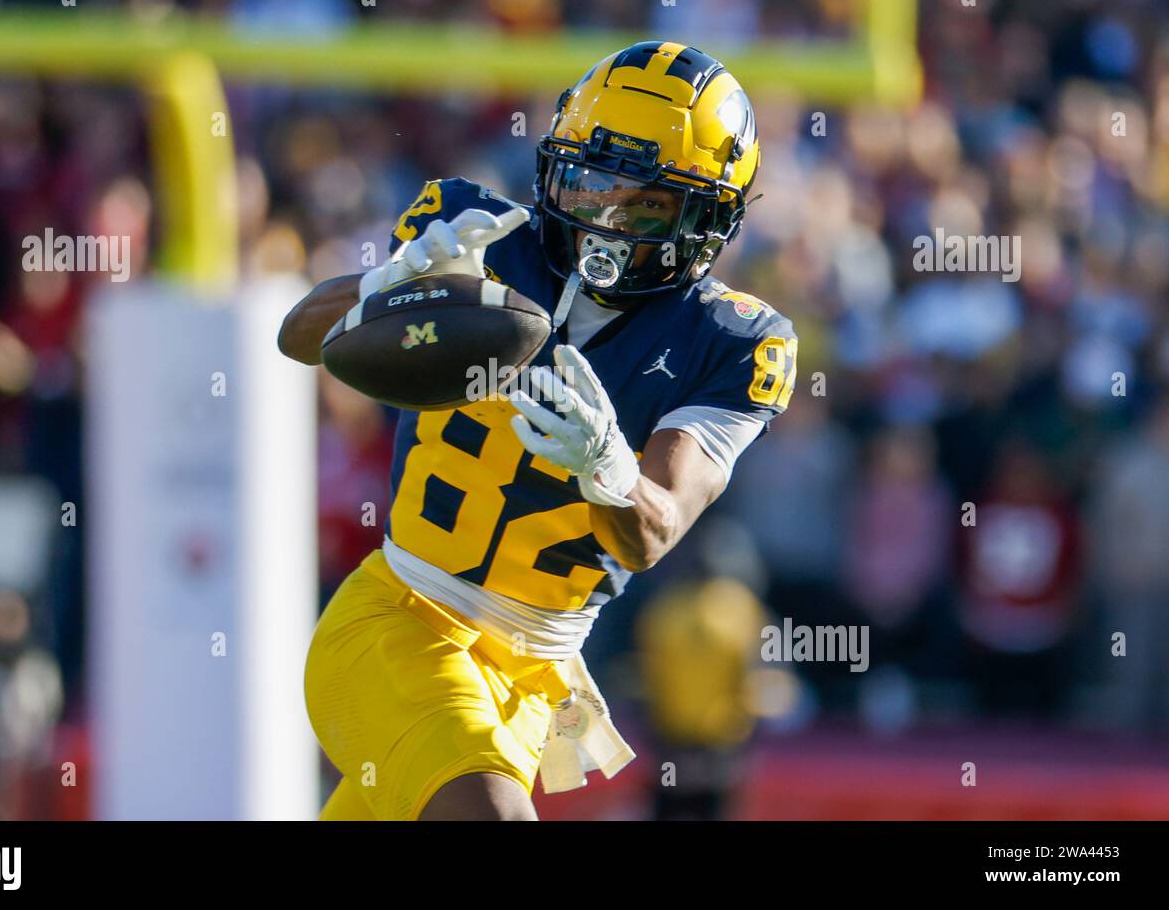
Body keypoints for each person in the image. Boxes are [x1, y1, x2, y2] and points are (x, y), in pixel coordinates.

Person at [279, 41, 798, 820]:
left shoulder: (734, 342)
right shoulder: (477, 232)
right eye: (590, 185)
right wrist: (388, 284)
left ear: (708, 218)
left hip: (532, 676)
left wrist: (609, 466)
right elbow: (297, 334)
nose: (606, 218)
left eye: (645, 202)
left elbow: (651, 532)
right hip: (401, 617)